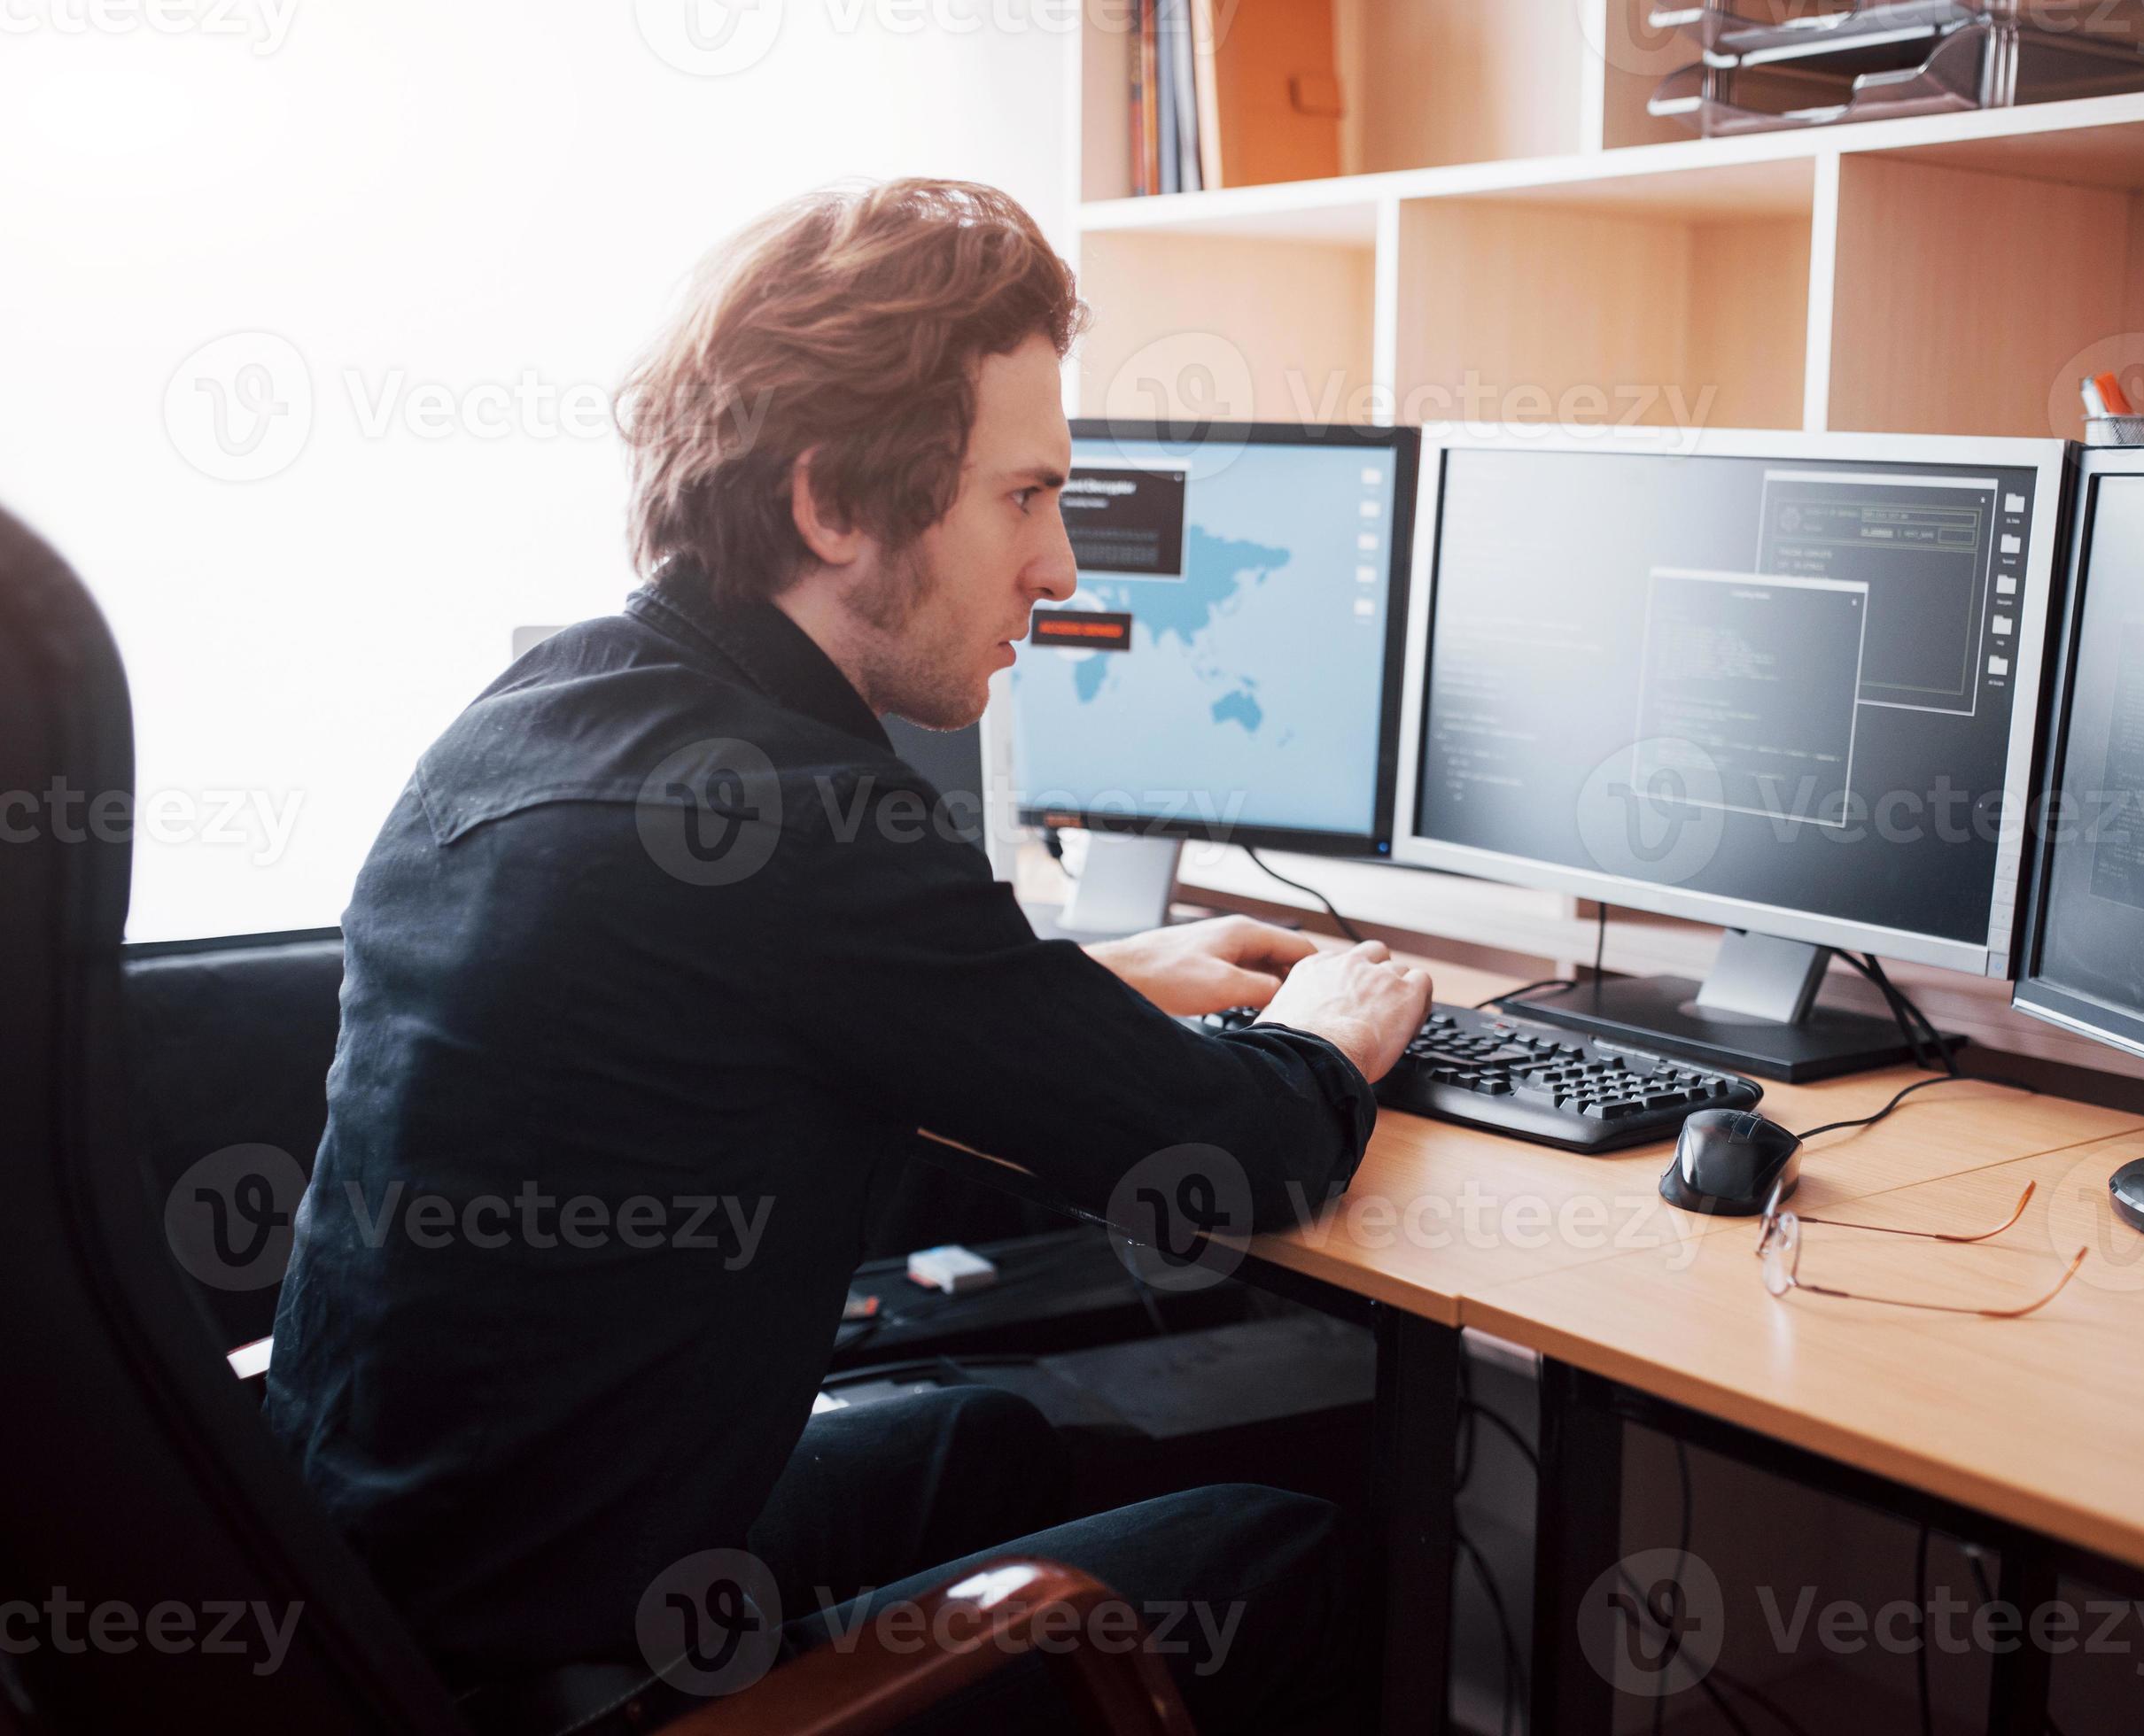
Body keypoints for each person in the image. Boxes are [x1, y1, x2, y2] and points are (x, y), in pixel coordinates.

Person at [263, 178, 1431, 1734]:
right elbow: (1238, 1154)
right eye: (1023, 498)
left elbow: (778, 1015)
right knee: (1283, 1556)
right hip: (564, 1697)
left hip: (358, 1620)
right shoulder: (809, 826)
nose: (1064, 569)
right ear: (832, 506)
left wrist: (1108, 981)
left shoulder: (543, 713)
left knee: (976, 1445)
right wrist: (1331, 1031)